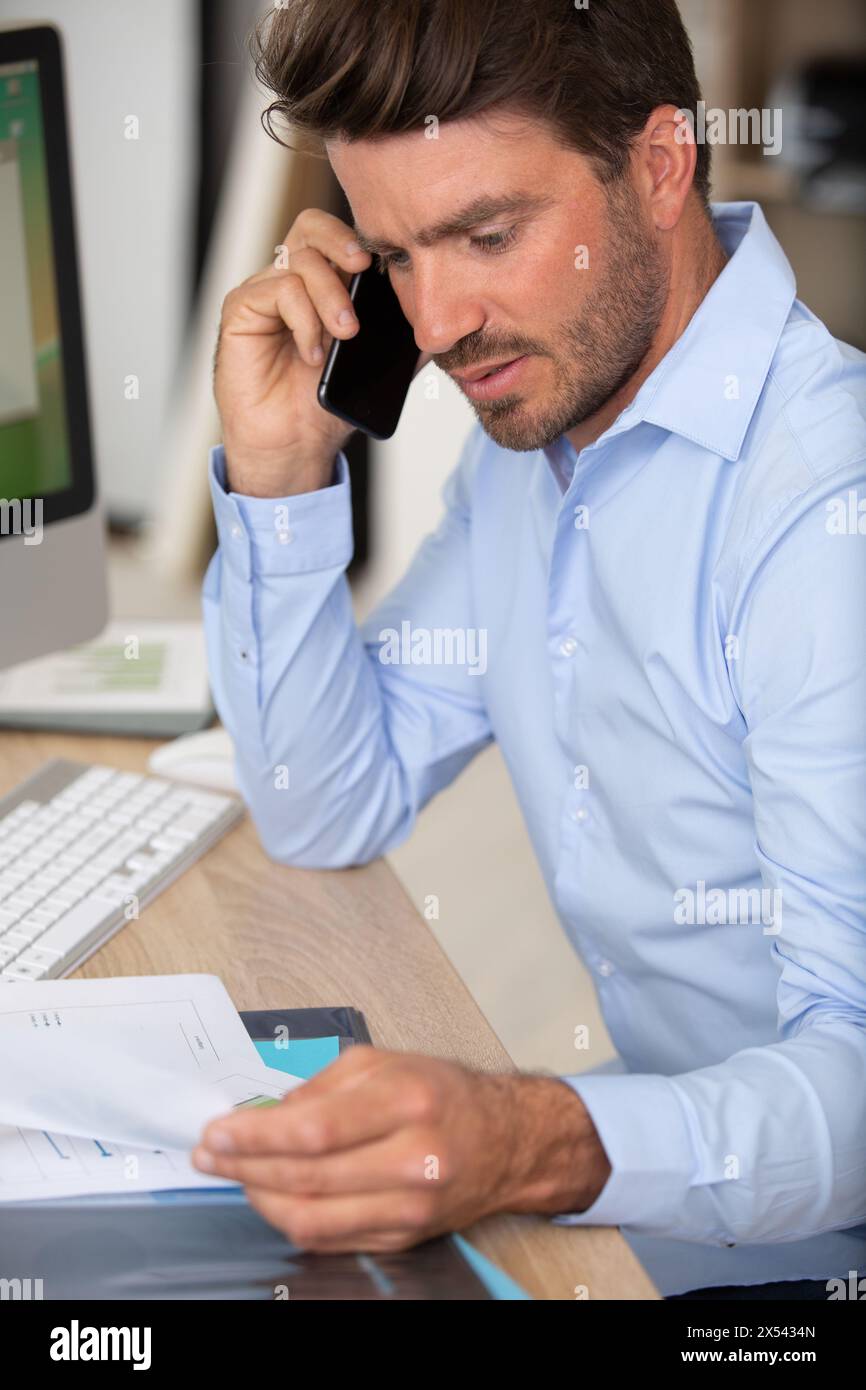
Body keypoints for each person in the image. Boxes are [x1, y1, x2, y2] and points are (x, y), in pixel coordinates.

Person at [191, 0, 866, 1299]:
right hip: (686, 1176)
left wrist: (534, 1134)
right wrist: (279, 476)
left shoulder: (820, 515)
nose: (436, 324)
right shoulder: (540, 442)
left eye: (486, 234)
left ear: (661, 165)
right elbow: (332, 799)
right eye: (392, 254)